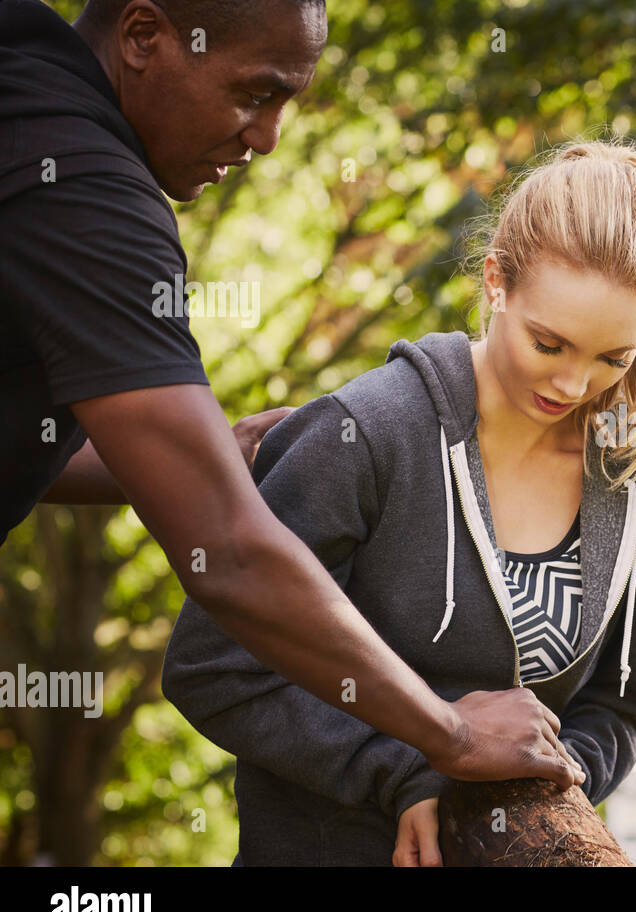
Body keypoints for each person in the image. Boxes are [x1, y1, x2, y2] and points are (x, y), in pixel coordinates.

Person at [0, 0, 582, 794]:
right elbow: (228, 553)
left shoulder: (23, 83)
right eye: (254, 94)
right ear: (143, 38)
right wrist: (449, 732)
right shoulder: (86, 195)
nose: (267, 138)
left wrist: (217, 457)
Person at [161, 138, 636, 865]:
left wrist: (509, 812)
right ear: (495, 283)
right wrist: (408, 777)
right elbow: (213, 667)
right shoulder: (366, 433)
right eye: (550, 344)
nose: (576, 385)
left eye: (614, 357)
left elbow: (620, 707)